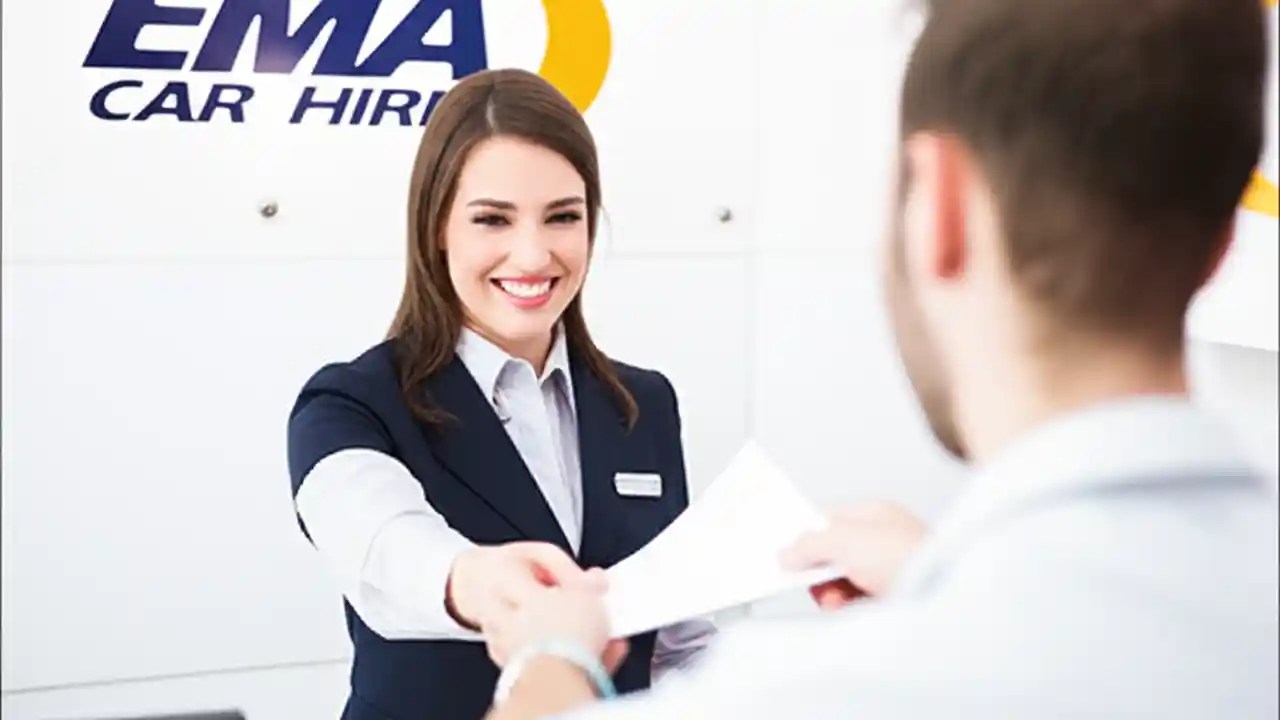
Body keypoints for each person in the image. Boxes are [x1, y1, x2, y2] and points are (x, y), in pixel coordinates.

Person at [477, 0, 1280, 717]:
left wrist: (550, 658)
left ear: (942, 205)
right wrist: (943, 575)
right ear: (1221, 244)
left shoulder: (815, 691)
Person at [285, 68, 714, 720]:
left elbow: (679, 646)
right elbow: (381, 546)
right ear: (436, 227)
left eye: (562, 217)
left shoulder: (643, 403)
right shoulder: (351, 405)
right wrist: (481, 586)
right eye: (493, 219)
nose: (534, 254)